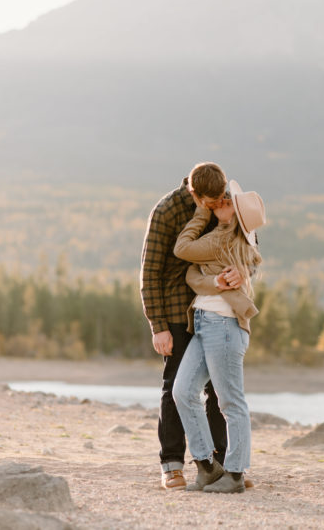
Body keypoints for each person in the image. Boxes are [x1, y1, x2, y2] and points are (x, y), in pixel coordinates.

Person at [139, 162, 242, 491]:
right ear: (193, 192)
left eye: (219, 198)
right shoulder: (167, 210)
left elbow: (248, 244)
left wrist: (242, 272)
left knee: (218, 391)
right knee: (175, 388)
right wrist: (158, 326)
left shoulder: (226, 202)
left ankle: (219, 465)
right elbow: (149, 271)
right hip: (175, 311)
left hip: (217, 310)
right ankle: (171, 464)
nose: (216, 205)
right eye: (209, 201)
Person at [171, 179, 266, 493]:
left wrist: (199, 213)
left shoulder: (222, 239)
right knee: (183, 392)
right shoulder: (230, 237)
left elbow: (182, 250)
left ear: (234, 215)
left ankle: (235, 474)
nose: (219, 203)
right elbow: (191, 276)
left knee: (231, 403)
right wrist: (214, 281)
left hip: (223, 326)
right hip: (204, 322)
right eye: (222, 199)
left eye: (227, 202)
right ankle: (208, 467)